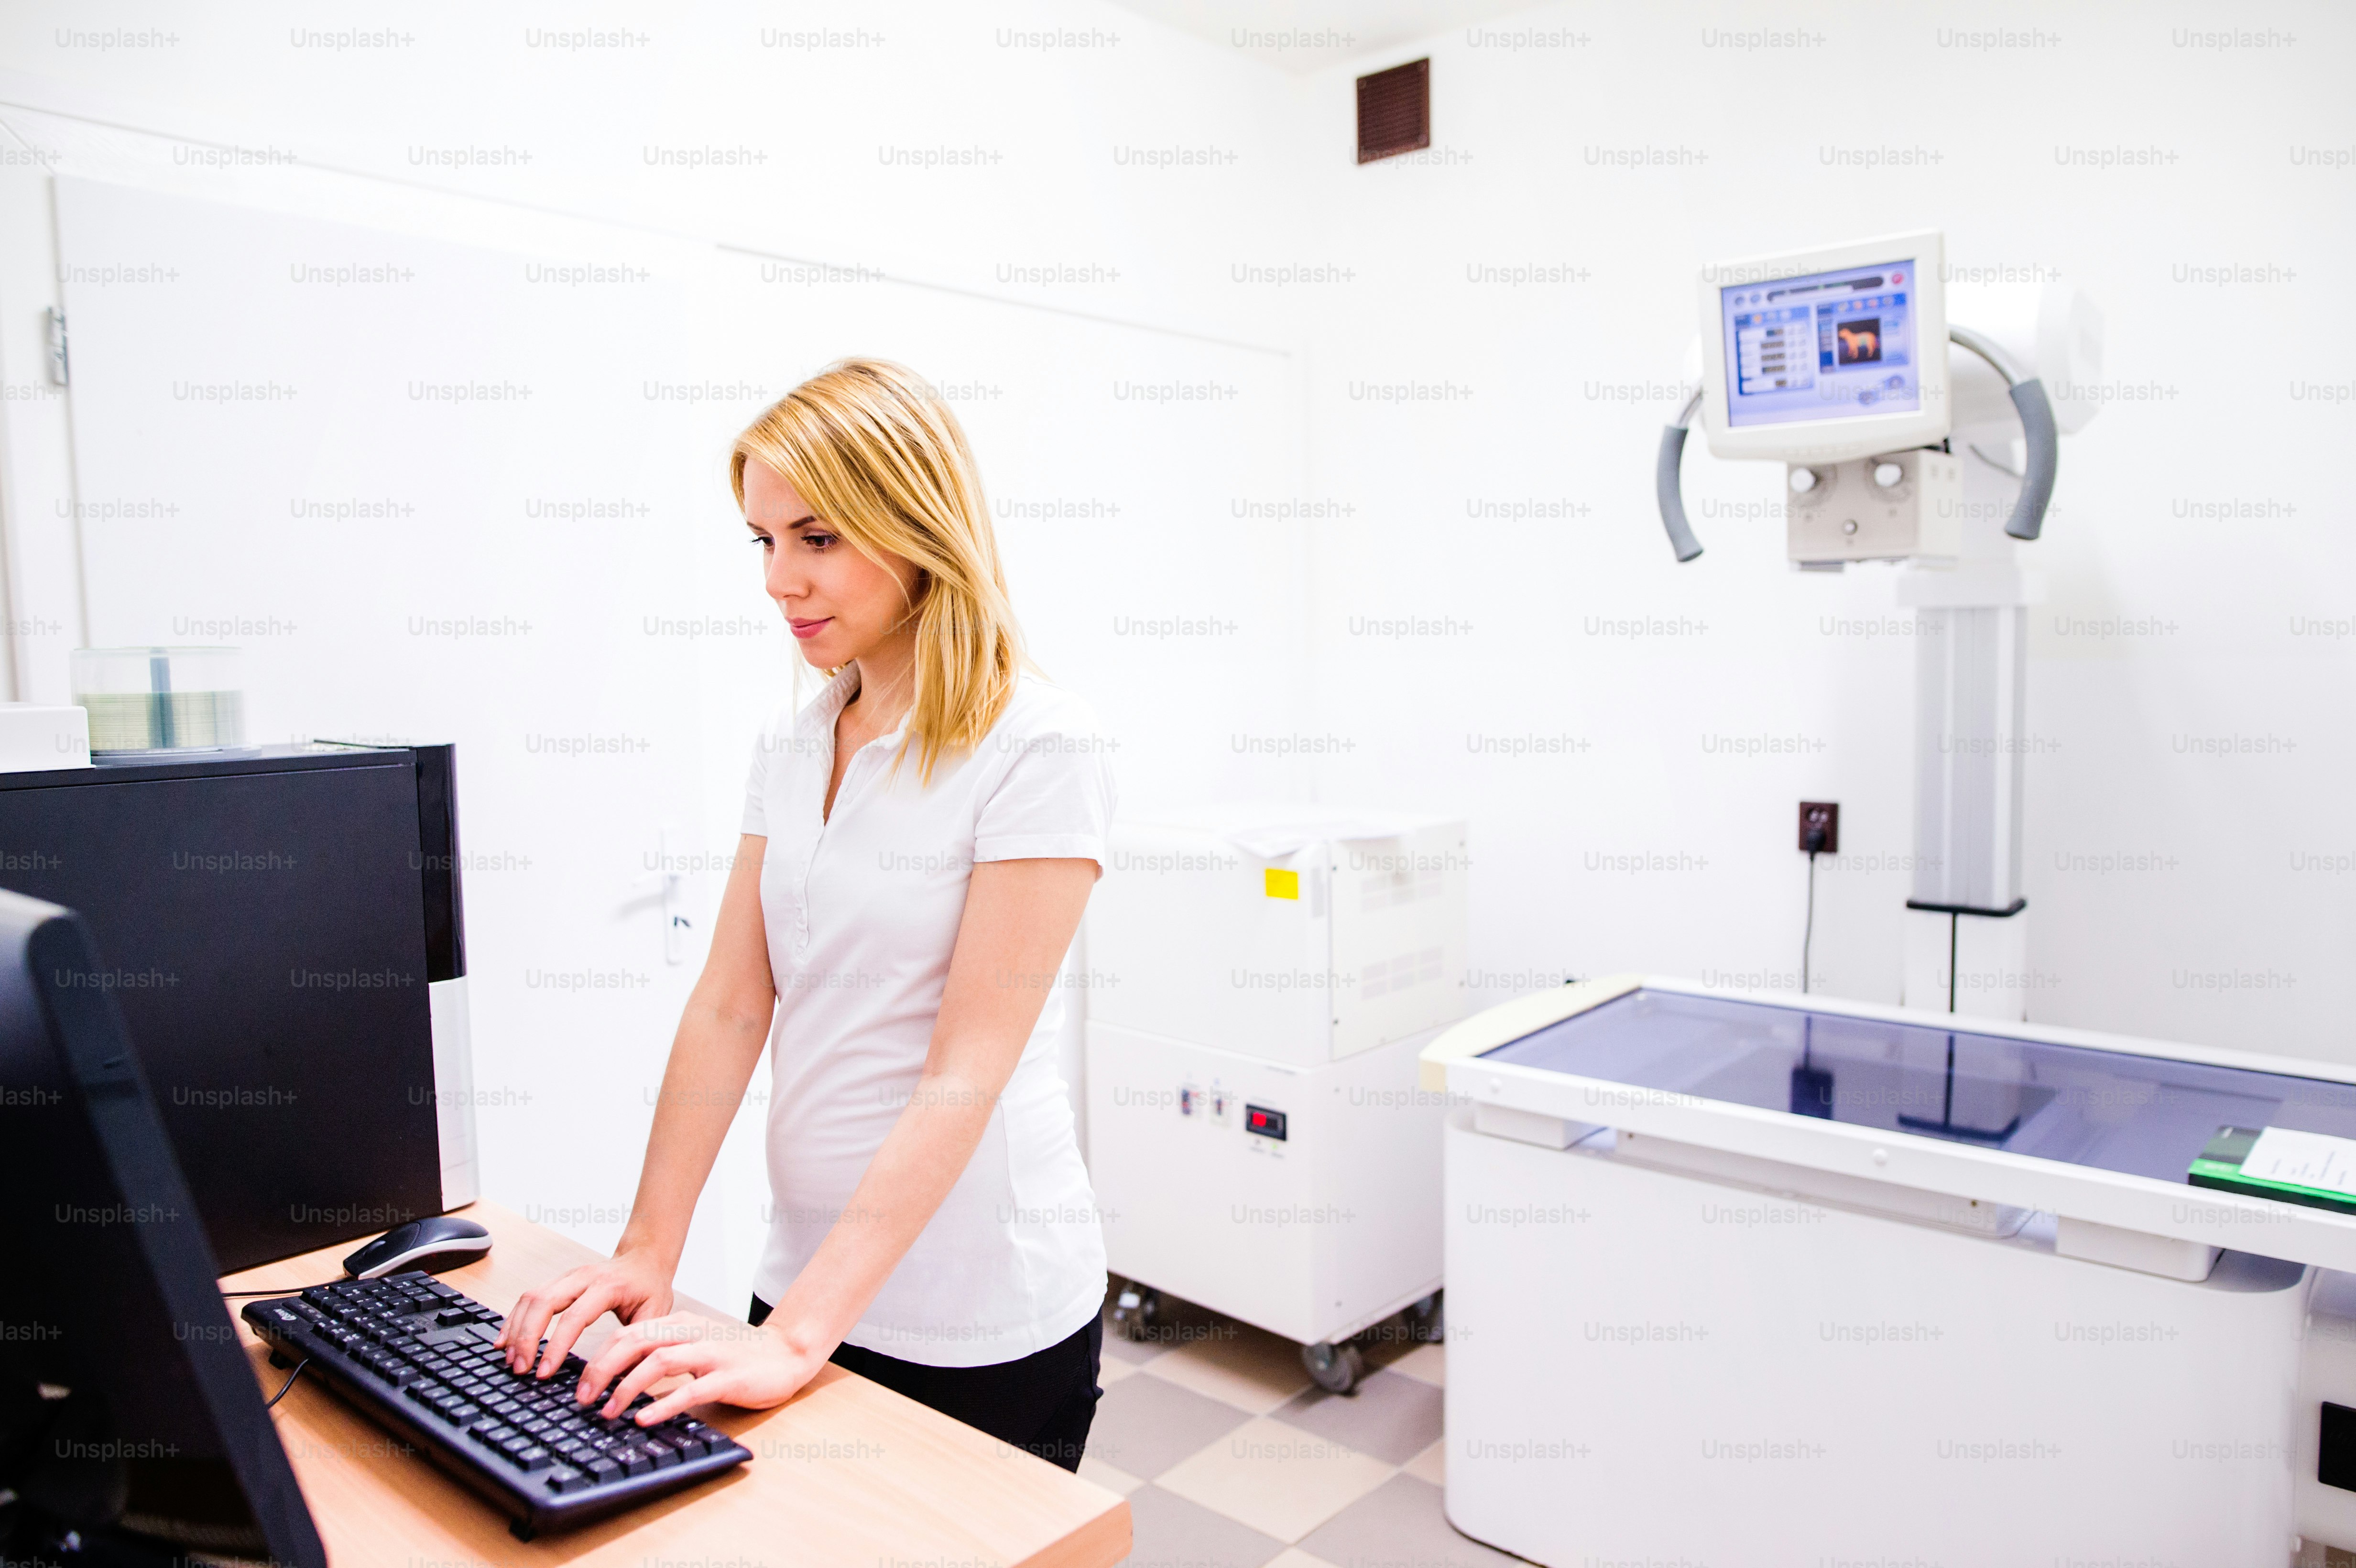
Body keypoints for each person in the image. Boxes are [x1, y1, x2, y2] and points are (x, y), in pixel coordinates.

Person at [495, 359, 1114, 1470]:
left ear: (916, 523)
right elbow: (734, 1002)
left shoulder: (1037, 746)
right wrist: (650, 1248)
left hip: (976, 1308)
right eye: (763, 539)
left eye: (817, 537)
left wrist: (794, 1339)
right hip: (802, 1281)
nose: (780, 578)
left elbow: (964, 1067)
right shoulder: (789, 744)